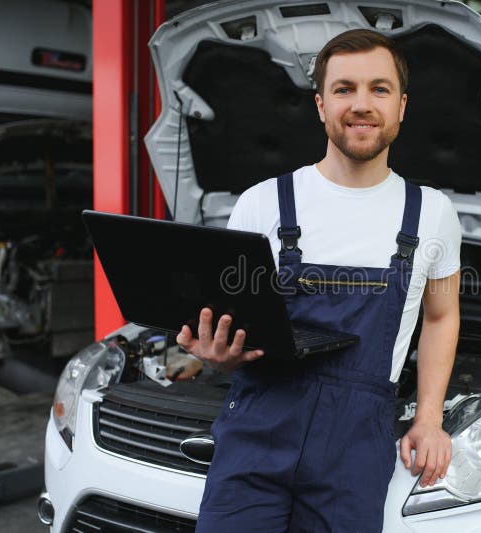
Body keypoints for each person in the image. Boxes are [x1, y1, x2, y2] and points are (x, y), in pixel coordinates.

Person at [177, 28, 461, 532]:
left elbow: (440, 316)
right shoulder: (262, 202)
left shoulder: (432, 214)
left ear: (402, 105)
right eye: (344, 88)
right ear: (320, 105)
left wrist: (429, 418)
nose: (361, 104)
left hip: (356, 443)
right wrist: (216, 353)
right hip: (259, 427)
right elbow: (230, 315)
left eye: (379, 88)